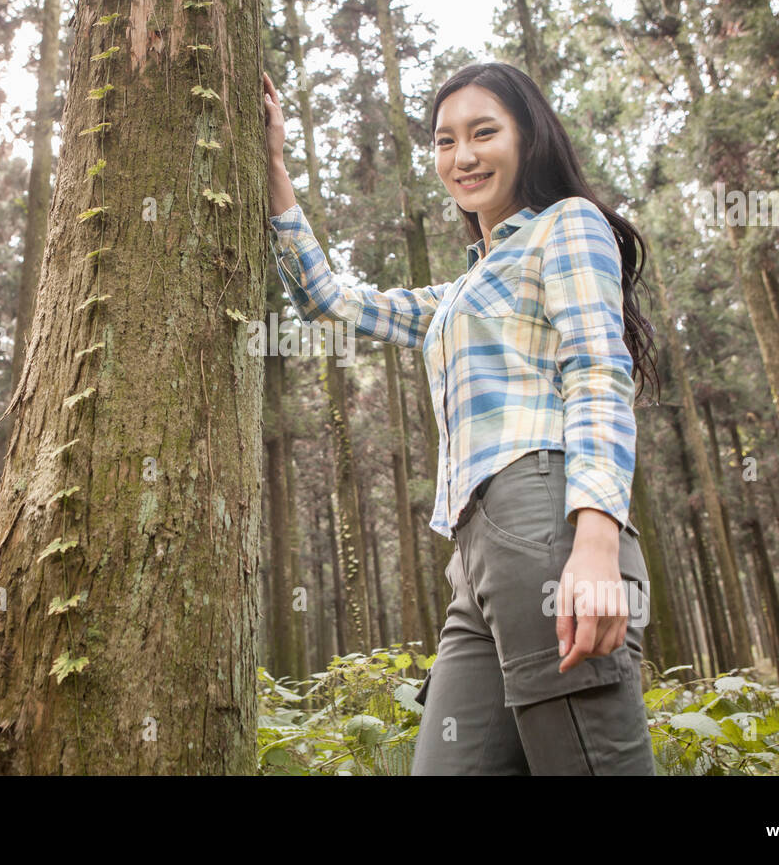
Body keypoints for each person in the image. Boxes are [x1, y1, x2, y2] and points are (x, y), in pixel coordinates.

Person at [262, 62, 661, 775]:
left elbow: (598, 369)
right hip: (474, 558)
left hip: (550, 525)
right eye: (445, 142)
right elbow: (332, 302)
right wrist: (274, 169)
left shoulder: (567, 225)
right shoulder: (462, 290)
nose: (463, 156)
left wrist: (595, 545)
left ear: (528, 137)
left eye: (484, 132)